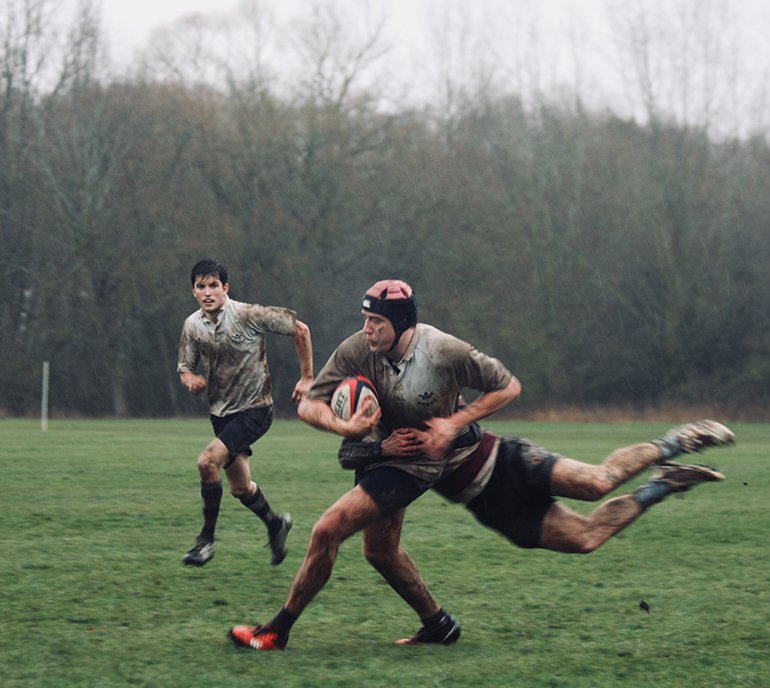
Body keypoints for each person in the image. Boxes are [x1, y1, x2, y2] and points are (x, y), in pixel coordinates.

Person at [229, 279, 734, 650]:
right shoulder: (359, 350)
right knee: (583, 538)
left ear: (402, 323)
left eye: (376, 322)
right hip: (433, 476)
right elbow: (310, 404)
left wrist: (453, 424)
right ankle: (661, 487)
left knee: (597, 482)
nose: (366, 329)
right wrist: (352, 429)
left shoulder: (443, 350)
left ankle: (674, 443)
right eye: (365, 320)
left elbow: (508, 386)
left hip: (493, 459)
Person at [177, 259, 313, 567]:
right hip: (221, 414)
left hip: (255, 409)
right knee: (240, 487)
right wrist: (191, 380)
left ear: (225, 288)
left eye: (214, 285)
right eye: (201, 286)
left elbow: (300, 329)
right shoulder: (192, 326)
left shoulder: (248, 315)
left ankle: (205, 542)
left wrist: (307, 378)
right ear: (193, 291)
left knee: (206, 462)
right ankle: (275, 524)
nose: (208, 292)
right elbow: (185, 367)